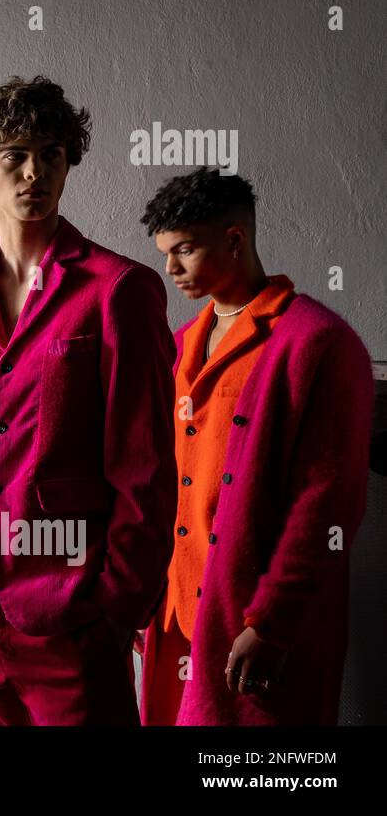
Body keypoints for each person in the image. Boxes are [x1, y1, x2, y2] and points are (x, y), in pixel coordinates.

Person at [0, 75, 177, 724]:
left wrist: (116, 609)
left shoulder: (120, 291)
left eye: (53, 154)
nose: (36, 171)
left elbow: (144, 468)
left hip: (73, 619)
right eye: (15, 156)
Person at [140, 169, 371, 725]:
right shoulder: (180, 346)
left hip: (251, 620)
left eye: (185, 250)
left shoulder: (317, 343)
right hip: (175, 616)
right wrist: (146, 597)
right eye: (165, 254)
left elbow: (327, 503)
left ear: (236, 240)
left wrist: (273, 621)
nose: (170, 269)